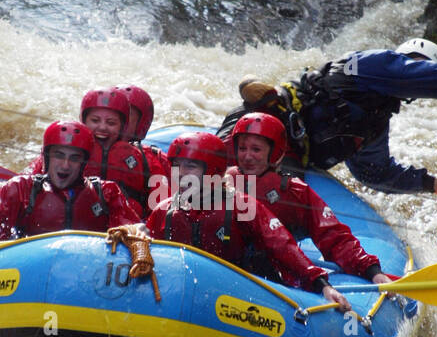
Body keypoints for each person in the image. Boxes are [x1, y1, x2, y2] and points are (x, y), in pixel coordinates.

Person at [219, 39, 437, 198]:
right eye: (416, 66)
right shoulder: (368, 64)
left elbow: (375, 173)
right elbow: (409, 74)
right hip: (255, 126)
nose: (414, 72)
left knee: (273, 205)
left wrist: (429, 183)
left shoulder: (374, 124)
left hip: (288, 160)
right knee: (214, 175)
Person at [144, 131, 355, 313]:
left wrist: (322, 285)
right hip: (185, 291)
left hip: (240, 297)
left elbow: (283, 247)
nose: (181, 174)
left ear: (213, 171)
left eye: (190, 167)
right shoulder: (164, 211)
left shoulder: (242, 207)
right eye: (176, 166)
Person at [226, 113, 389, 285]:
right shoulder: (222, 181)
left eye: (256, 149)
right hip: (225, 265)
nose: (247, 156)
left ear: (275, 153)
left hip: (271, 273)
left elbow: (333, 236)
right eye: (242, 148)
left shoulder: (294, 192)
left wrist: (372, 271)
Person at [0, 121, 142, 255]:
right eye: (59, 155)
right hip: (30, 268)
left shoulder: (106, 193)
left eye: (74, 158)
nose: (65, 165)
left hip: (87, 268)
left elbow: (131, 228)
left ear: (84, 163)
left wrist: (137, 230)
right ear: (46, 157)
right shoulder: (21, 189)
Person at [26, 88, 165, 219]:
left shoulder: (146, 158)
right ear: (83, 121)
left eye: (111, 123)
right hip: (71, 222)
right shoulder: (65, 151)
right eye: (95, 120)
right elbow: (28, 184)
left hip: (125, 227)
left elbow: (164, 206)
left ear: (123, 126)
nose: (102, 127)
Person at [121, 84, 169, 183]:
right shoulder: (84, 152)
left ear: (141, 124)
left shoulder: (155, 161)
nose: (117, 119)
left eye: (127, 113)